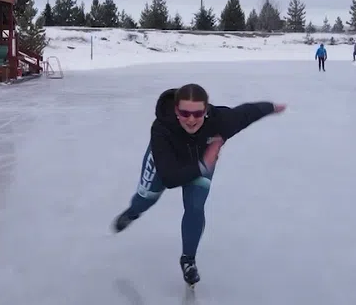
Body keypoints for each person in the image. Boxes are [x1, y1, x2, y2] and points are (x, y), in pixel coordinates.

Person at [111, 83, 285, 285]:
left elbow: (247, 113)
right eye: (184, 113)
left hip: (200, 162)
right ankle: (132, 212)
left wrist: (271, 107)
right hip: (167, 164)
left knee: (195, 207)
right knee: (145, 200)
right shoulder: (161, 128)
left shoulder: (221, 121)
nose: (191, 119)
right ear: (176, 110)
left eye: (198, 113)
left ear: (206, 110)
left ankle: (188, 260)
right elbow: (170, 178)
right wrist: (204, 165)